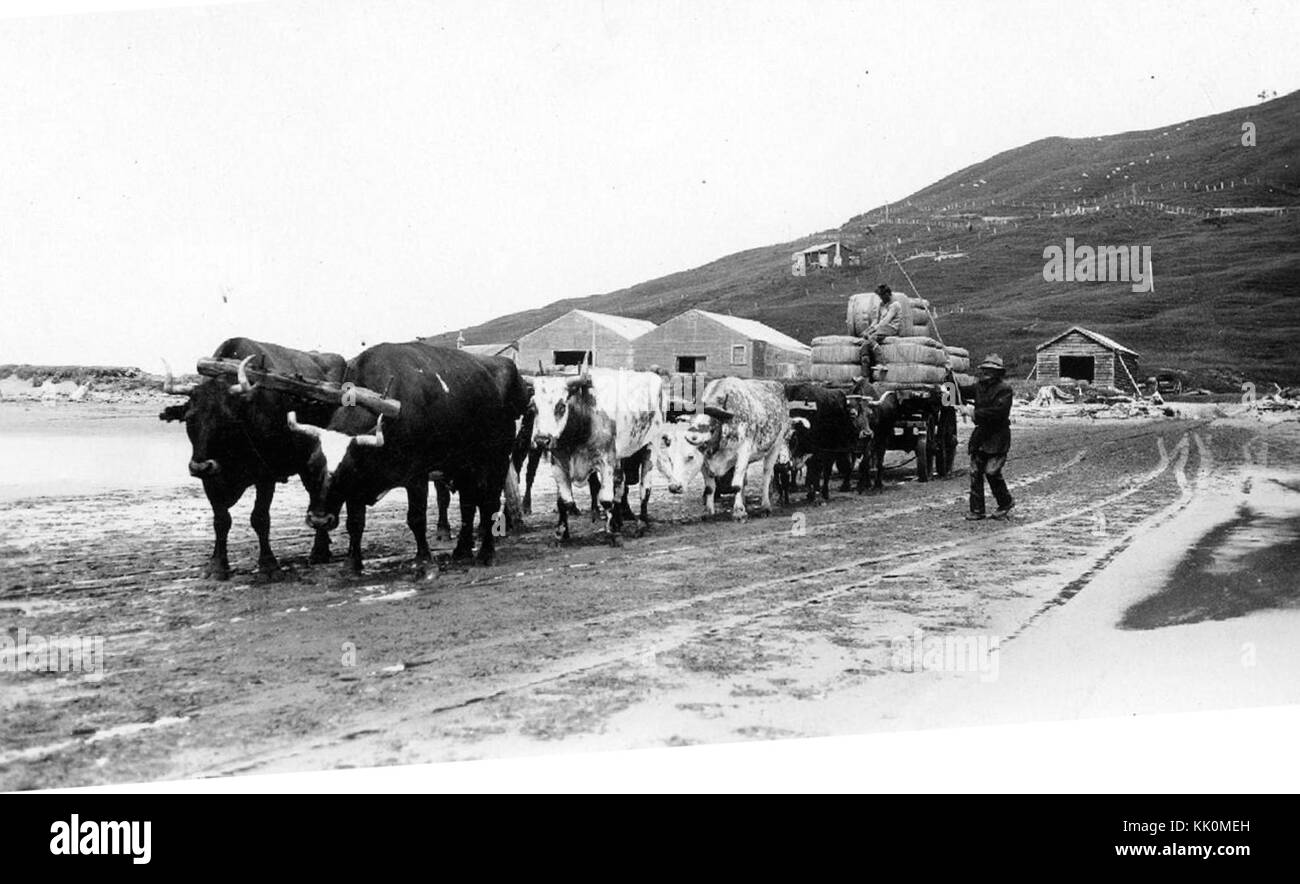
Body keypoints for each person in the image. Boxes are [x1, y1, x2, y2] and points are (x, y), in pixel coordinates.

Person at [966, 353, 1015, 521]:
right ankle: (977, 511)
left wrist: (974, 413)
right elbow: (955, 393)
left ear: (998, 373)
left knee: (992, 472)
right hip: (980, 437)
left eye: (991, 370)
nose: (987, 372)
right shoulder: (978, 386)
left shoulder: (1005, 389)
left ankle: (1006, 502)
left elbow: (999, 413)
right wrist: (947, 376)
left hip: (998, 437)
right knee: (975, 473)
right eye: (985, 369)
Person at [858, 283, 903, 377]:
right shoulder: (881, 305)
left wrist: (872, 330)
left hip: (891, 328)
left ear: (887, 294)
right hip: (881, 327)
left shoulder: (895, 305)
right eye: (879, 296)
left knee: (871, 338)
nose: (881, 298)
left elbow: (886, 321)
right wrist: (869, 328)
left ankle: (881, 362)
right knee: (865, 343)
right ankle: (865, 374)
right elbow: (876, 320)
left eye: (882, 296)